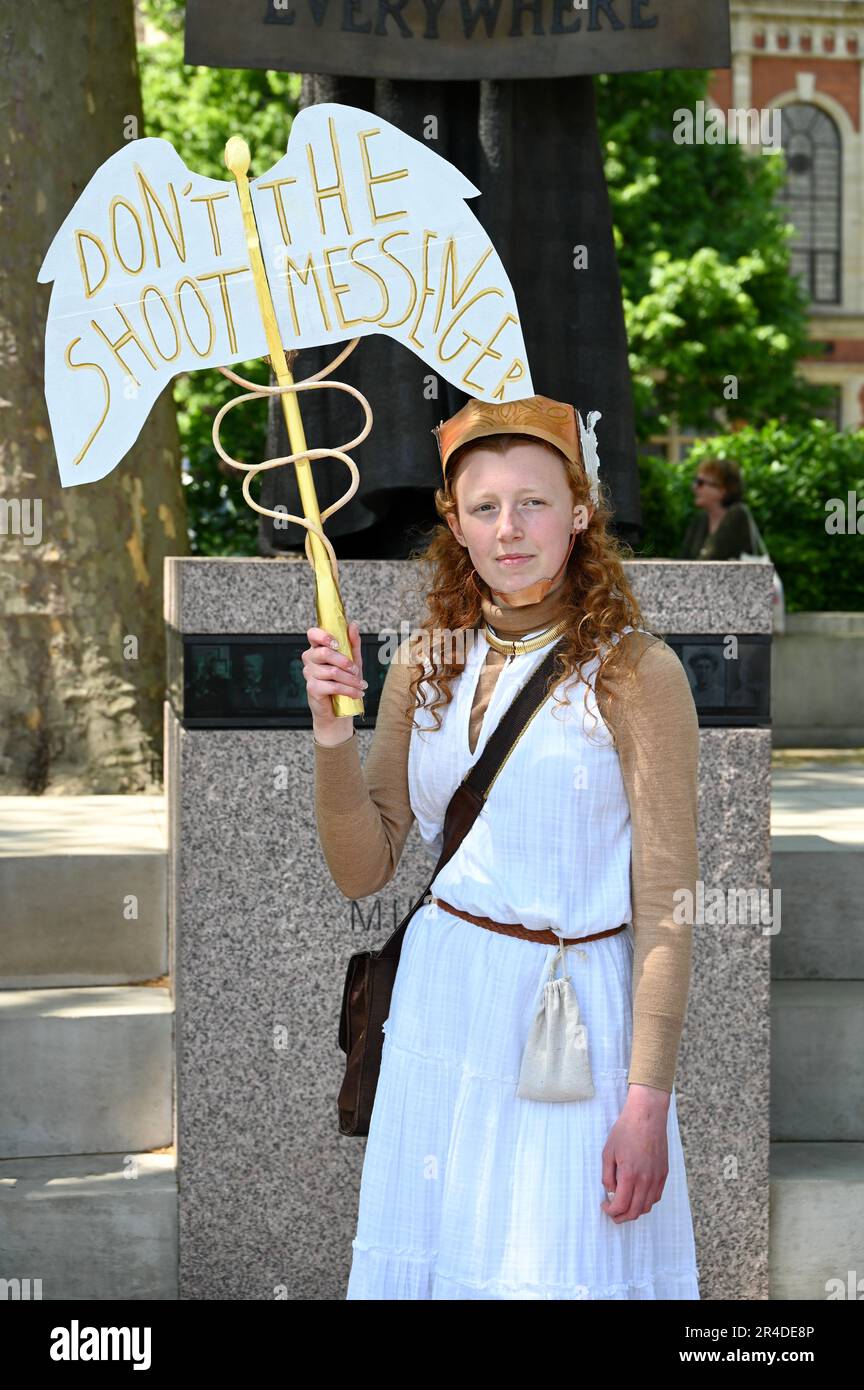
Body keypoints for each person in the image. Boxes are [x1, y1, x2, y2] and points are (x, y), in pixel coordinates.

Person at [303, 394, 701, 1301]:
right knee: (440, 1263)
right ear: (456, 524)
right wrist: (330, 736)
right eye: (484, 507)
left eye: (533, 502)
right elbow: (363, 868)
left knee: (559, 1271)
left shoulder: (638, 672)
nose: (509, 528)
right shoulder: (426, 659)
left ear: (580, 513)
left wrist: (648, 1099)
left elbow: (669, 905)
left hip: (576, 1016)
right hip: (444, 998)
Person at [679, 458, 760, 560]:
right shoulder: (701, 519)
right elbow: (683, 559)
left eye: (700, 483)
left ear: (722, 490)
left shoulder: (738, 514)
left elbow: (713, 559)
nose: (694, 487)